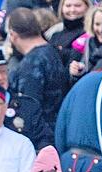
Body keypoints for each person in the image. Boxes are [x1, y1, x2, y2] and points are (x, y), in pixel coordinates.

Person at [7, 8, 69, 148]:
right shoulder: (54, 52)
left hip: (41, 141)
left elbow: (29, 109)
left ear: (13, 35)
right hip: (60, 131)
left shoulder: (30, 65)